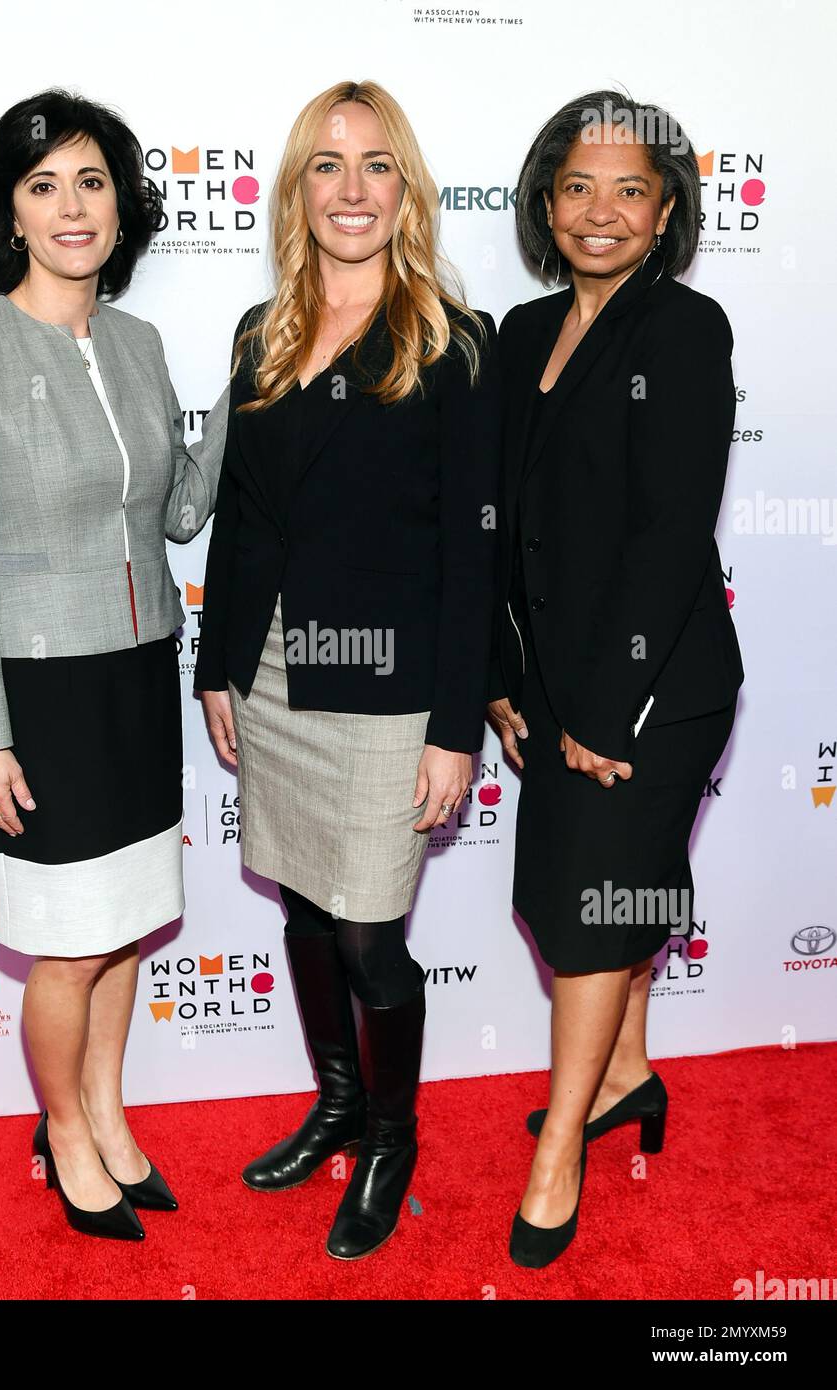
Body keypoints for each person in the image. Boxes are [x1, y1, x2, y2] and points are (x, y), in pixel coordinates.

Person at [0, 89, 228, 1241]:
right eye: (44, 185)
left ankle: (106, 1107)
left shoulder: (139, 345)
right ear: (9, 211)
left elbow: (180, 513)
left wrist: (254, 389)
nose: (71, 206)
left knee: (126, 926)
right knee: (65, 942)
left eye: (92, 181)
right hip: (35, 696)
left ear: (122, 204)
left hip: (139, 676)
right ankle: (64, 1129)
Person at [194, 80, 500, 1260]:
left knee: (372, 933)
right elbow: (243, 518)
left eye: (376, 165)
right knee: (306, 903)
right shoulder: (259, 332)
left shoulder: (447, 342)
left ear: (406, 188)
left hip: (393, 691)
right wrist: (221, 666)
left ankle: (390, 1134)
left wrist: (454, 722)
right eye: (327, 166)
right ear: (297, 191)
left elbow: (474, 545)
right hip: (273, 673)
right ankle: (331, 1101)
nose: (352, 188)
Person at [486, 89, 744, 1268]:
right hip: (553, 683)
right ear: (546, 201)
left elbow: (669, 530)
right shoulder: (519, 331)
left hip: (651, 688)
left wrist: (604, 707)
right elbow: (495, 526)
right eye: (578, 186)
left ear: (667, 211)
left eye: (629, 190)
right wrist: (504, 675)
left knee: (592, 911)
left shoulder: (683, 330)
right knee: (611, 884)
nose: (600, 211)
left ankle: (561, 1153)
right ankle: (630, 1070)